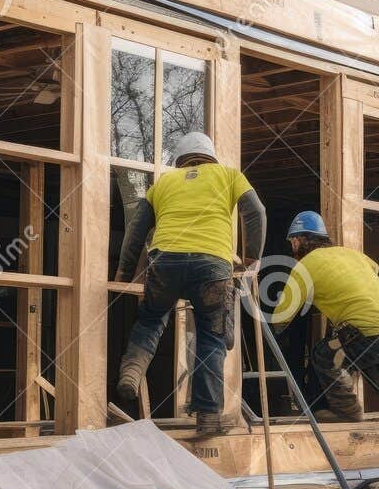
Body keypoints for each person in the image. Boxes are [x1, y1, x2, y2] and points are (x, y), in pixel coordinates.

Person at [113, 131, 266, 437]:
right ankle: (208, 416)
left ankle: (131, 370)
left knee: (152, 318)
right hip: (212, 265)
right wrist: (251, 260)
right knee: (212, 334)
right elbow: (256, 213)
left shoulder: (164, 184)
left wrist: (123, 273)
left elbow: (135, 232)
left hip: (165, 260)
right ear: (211, 156)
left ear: (180, 159)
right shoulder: (229, 175)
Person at [270, 211, 379, 423]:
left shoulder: (305, 267)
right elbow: (375, 267)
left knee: (325, 355)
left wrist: (273, 334)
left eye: (292, 241)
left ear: (299, 240)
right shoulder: (351, 254)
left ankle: (347, 411)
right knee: (373, 361)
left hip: (368, 331)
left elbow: (282, 316)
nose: (292, 247)